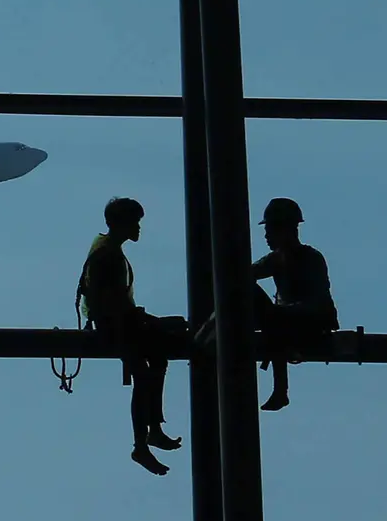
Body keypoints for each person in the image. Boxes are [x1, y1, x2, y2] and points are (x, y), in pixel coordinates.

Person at [193, 197, 339, 411]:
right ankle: (210, 332)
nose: (266, 236)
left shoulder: (310, 259)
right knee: (243, 289)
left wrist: (283, 311)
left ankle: (280, 390)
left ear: (287, 229)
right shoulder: (276, 259)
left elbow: (317, 303)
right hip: (284, 321)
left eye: (271, 230)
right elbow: (244, 276)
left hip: (311, 323)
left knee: (262, 307)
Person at [78, 196, 184, 475]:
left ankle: (154, 430)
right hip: (114, 326)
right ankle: (142, 443)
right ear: (123, 223)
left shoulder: (107, 249)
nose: (139, 228)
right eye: (135, 222)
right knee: (144, 372)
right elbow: (111, 303)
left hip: (117, 322)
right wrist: (148, 321)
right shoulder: (107, 254)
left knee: (158, 357)